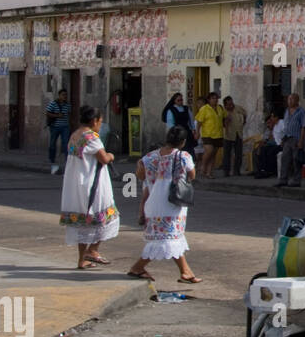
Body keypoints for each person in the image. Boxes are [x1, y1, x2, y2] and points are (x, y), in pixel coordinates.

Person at [128, 126, 201, 283]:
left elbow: (140, 175)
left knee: (171, 237)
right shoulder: (183, 156)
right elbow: (192, 175)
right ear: (182, 142)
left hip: (154, 202)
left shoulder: (149, 157)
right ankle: (137, 267)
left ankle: (186, 271)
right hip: (172, 203)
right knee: (166, 239)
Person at [59, 105, 119, 270]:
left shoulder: (75, 135)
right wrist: (112, 155)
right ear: (94, 121)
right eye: (100, 121)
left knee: (83, 224)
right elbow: (104, 158)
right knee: (106, 217)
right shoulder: (91, 137)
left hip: (76, 184)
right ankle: (92, 250)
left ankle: (82, 259)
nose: (100, 124)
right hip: (92, 182)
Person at [276, 92, 305, 188]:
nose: (289, 101)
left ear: (297, 100)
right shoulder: (287, 111)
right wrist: (283, 139)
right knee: (285, 159)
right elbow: (286, 126)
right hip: (287, 138)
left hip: (296, 139)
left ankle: (296, 180)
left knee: (296, 160)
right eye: (289, 99)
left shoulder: (301, 112)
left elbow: (303, 127)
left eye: (292, 99)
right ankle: (283, 179)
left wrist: (301, 141)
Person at [195, 91, 225, 179]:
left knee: (213, 154)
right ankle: (203, 166)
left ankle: (209, 172)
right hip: (207, 134)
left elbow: (225, 117)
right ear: (209, 100)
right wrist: (197, 133)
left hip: (218, 134)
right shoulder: (204, 109)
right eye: (213, 98)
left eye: (216, 98)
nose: (215, 100)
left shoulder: (220, 108)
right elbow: (199, 122)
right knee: (209, 150)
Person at [45, 88, 72, 174]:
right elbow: (47, 112)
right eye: (63, 95)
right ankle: (52, 159)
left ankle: (67, 160)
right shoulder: (53, 104)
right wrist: (56, 115)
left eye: (66, 95)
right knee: (53, 143)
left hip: (65, 127)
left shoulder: (67, 105)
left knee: (65, 143)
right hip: (55, 127)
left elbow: (69, 114)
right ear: (59, 95)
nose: (65, 97)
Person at [221, 96, 247, 177]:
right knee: (227, 154)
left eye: (232, 104)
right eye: (229, 105)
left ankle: (237, 170)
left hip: (238, 133)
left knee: (238, 153)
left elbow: (245, 114)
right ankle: (226, 171)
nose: (231, 106)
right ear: (225, 105)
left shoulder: (238, 108)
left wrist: (243, 123)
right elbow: (223, 124)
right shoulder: (223, 112)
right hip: (228, 135)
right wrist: (226, 120)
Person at [253, 113, 282, 178]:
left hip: (278, 145)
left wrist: (267, 142)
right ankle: (258, 170)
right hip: (269, 145)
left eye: (269, 123)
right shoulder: (268, 130)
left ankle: (267, 170)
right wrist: (260, 146)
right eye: (267, 124)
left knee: (266, 150)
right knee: (256, 151)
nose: (268, 125)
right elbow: (264, 140)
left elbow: (276, 141)